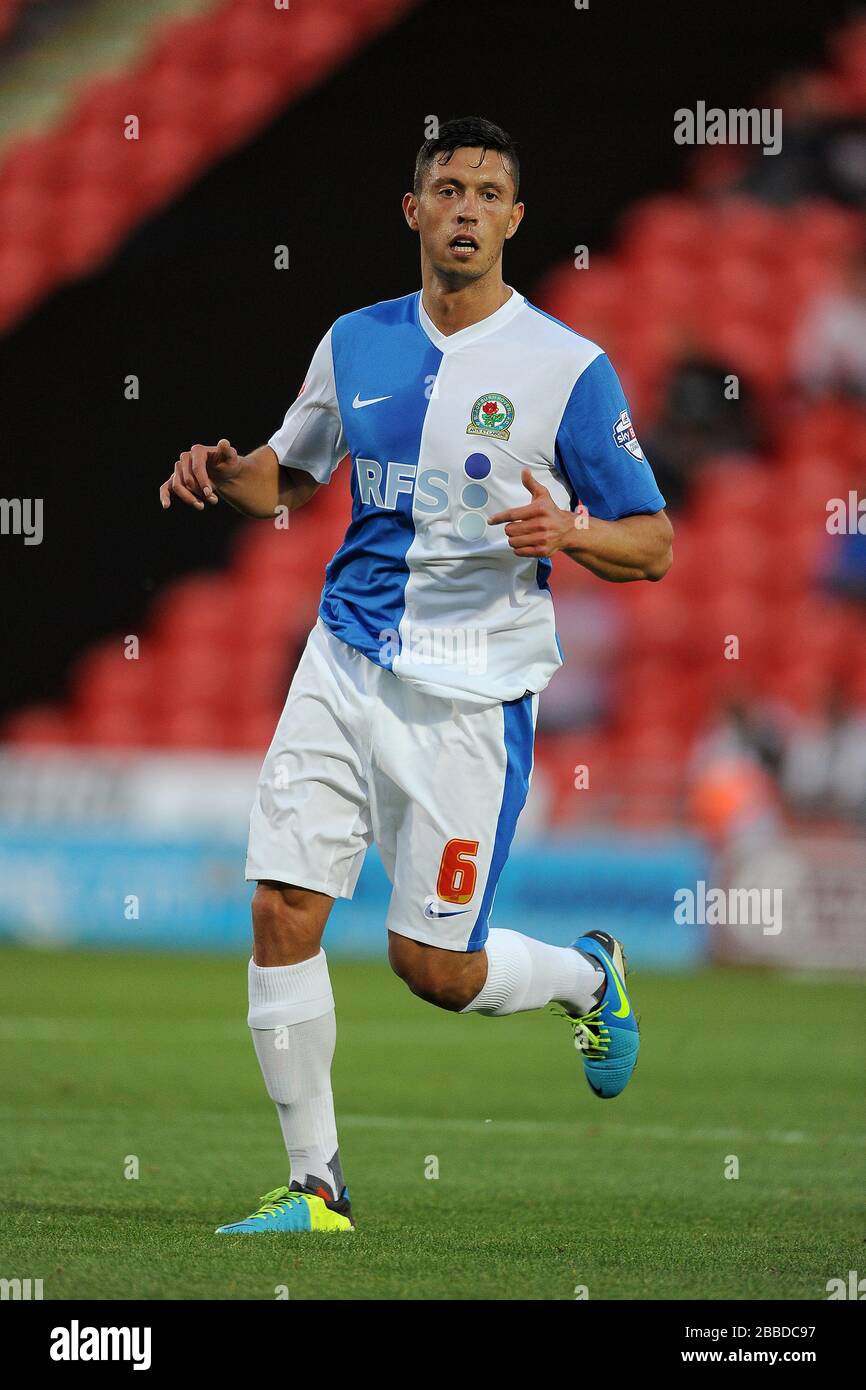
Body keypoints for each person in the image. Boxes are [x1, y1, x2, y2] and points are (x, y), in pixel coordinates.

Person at [159, 117, 672, 1235]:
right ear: (413, 209)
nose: (466, 208)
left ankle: (588, 975)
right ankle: (315, 1187)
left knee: (432, 969)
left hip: (469, 698)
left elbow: (653, 543)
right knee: (284, 902)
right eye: (447, 188)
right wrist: (223, 472)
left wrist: (570, 529)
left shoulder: (566, 371)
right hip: (342, 659)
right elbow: (288, 482)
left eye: (489, 191)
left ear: (515, 219)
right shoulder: (353, 343)